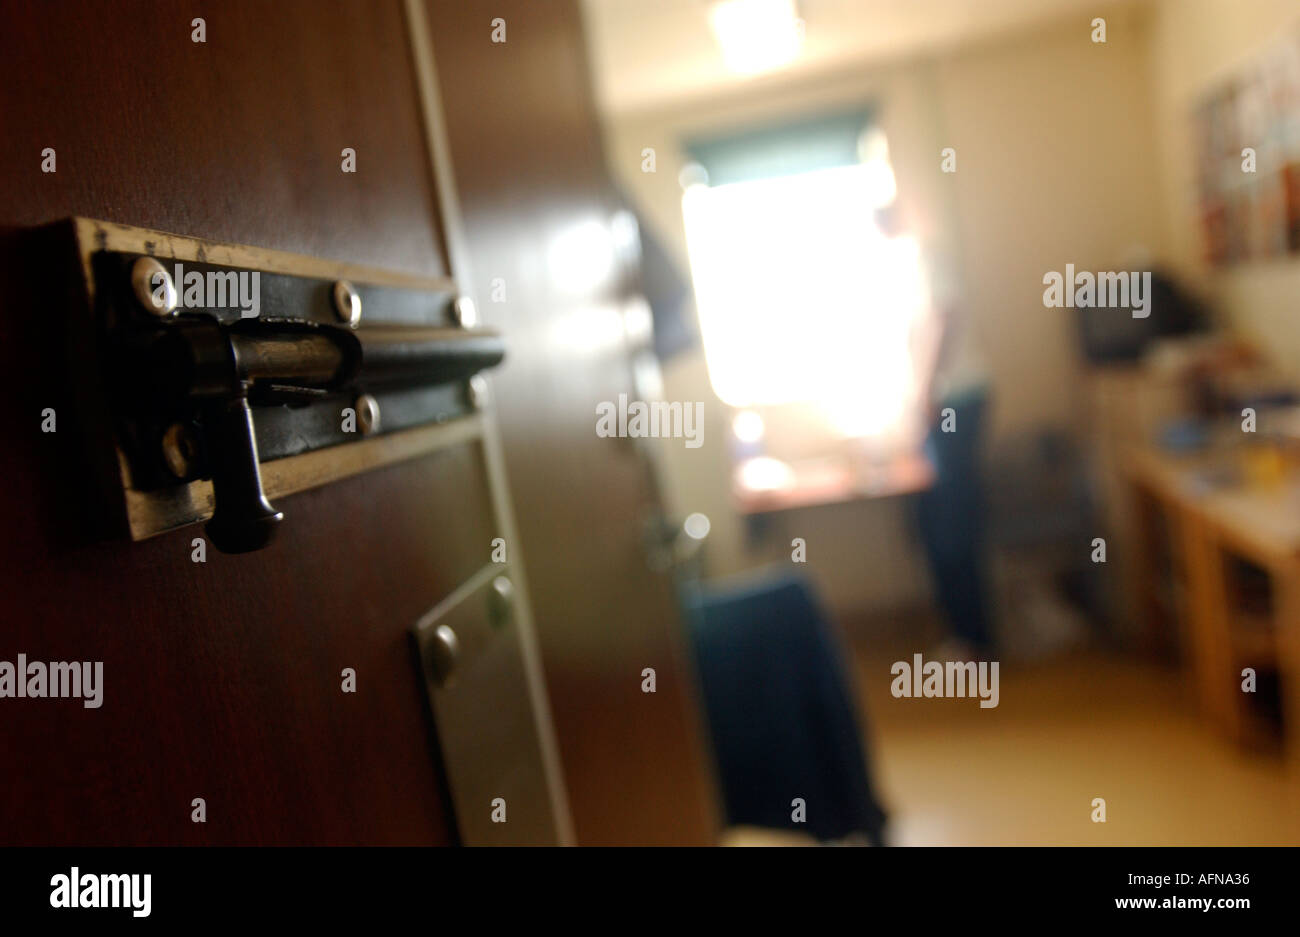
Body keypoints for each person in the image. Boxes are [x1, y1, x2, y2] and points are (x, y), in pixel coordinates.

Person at [915, 304, 994, 658]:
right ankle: (967, 635)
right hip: (952, 400)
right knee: (934, 520)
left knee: (952, 527)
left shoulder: (933, 249)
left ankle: (973, 639)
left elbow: (947, 316)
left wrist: (927, 390)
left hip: (953, 401)